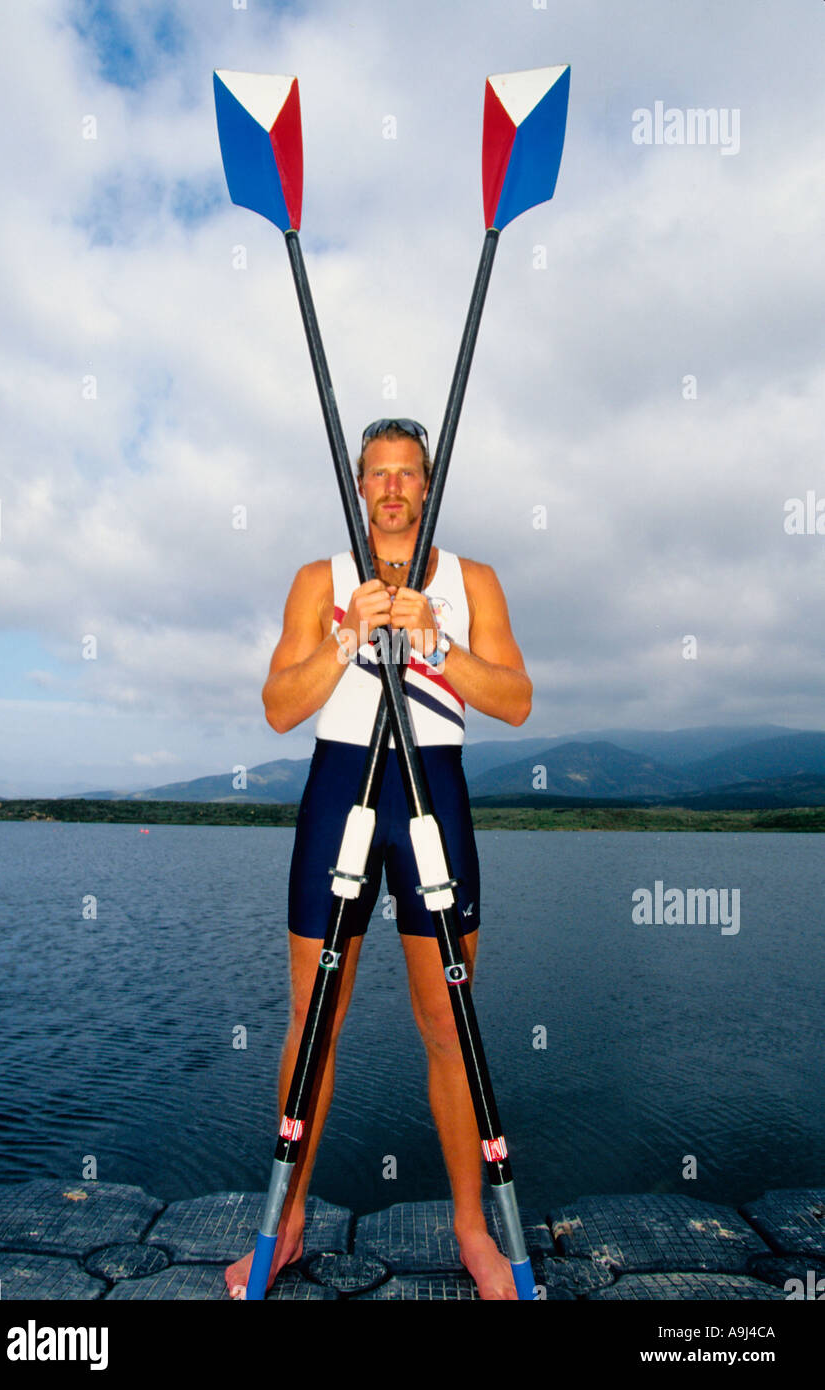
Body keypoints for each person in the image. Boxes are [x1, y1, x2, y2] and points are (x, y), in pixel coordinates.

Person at [226, 418, 532, 1300]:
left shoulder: (473, 581)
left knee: (450, 1026)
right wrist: (341, 641)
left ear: (428, 487)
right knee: (310, 1020)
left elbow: (514, 700)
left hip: (432, 788)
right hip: (339, 788)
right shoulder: (317, 580)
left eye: (408, 475)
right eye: (378, 476)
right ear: (358, 488)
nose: (393, 489)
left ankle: (472, 1229)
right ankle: (280, 1228)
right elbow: (280, 708)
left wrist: (439, 640)